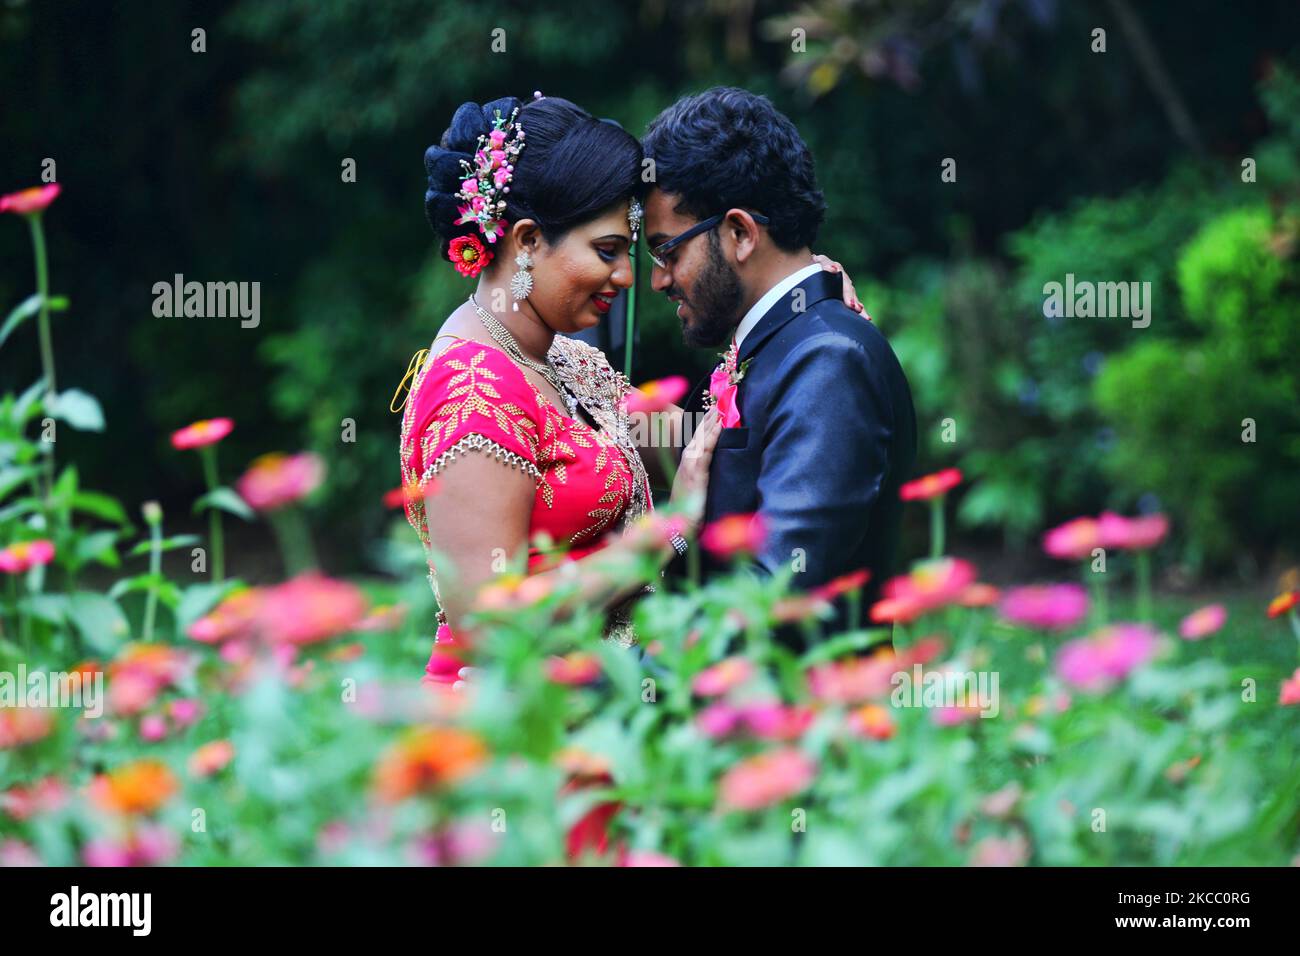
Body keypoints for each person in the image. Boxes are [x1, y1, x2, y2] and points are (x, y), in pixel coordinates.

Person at [396, 93, 722, 686]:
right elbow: (488, 621)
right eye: (607, 252)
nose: (627, 277)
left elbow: (708, 439)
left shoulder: (565, 361)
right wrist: (666, 535)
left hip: (598, 708)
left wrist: (795, 304)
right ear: (525, 241)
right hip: (518, 732)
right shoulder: (474, 387)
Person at [641, 87, 918, 643]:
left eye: (668, 252)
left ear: (740, 234)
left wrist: (608, 686)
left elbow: (776, 596)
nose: (658, 280)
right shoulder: (774, 347)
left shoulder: (828, 360)